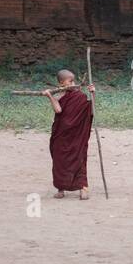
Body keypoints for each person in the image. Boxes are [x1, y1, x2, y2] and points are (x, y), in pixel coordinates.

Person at [43, 69, 94, 199]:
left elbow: (91, 110)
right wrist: (50, 96)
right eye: (70, 81)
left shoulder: (80, 96)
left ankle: (83, 188)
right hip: (62, 135)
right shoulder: (59, 96)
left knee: (80, 159)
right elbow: (58, 110)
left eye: (74, 81)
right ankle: (61, 188)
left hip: (77, 135)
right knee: (60, 160)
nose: (73, 84)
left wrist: (92, 94)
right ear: (61, 83)